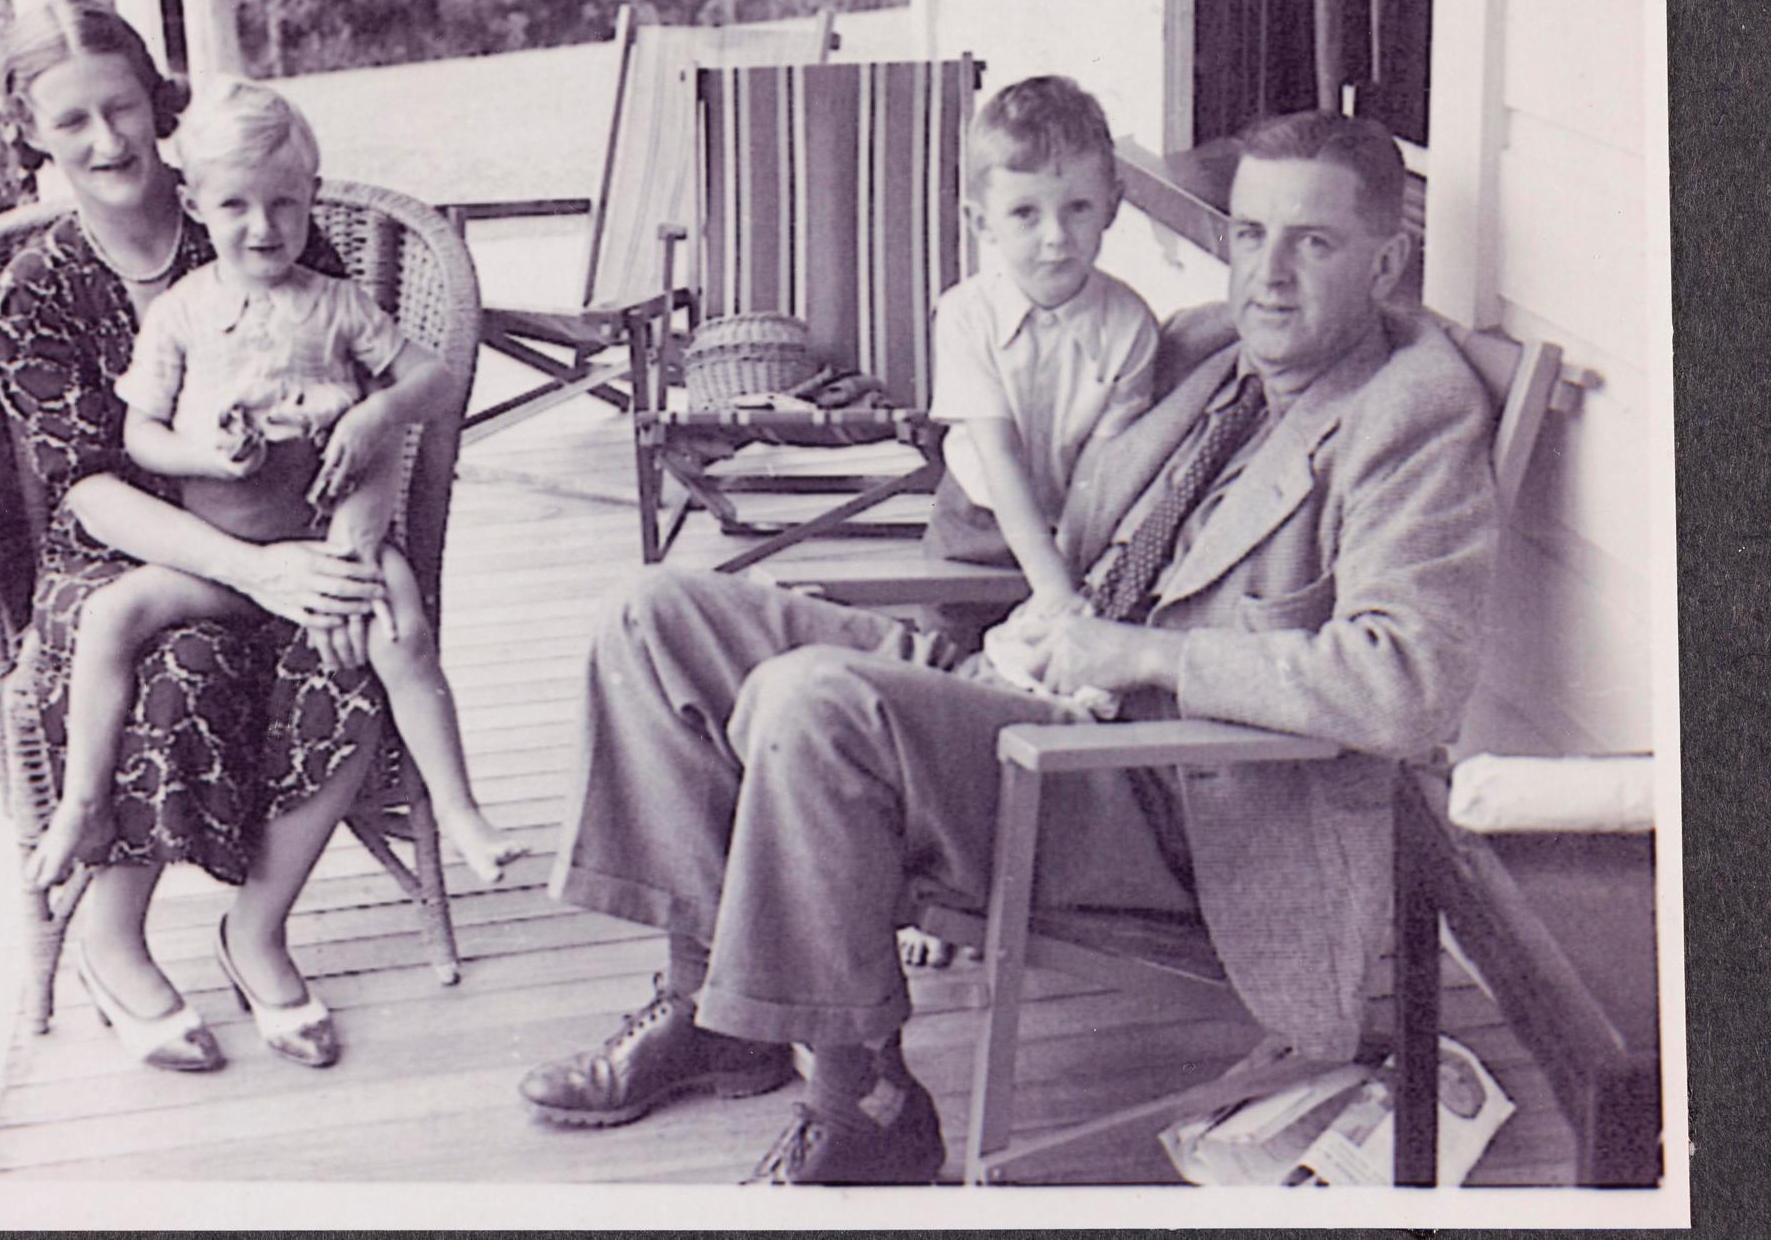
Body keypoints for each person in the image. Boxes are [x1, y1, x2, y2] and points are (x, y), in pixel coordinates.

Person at [518, 110, 1500, 1184]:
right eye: (1248, 233)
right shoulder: (1207, 349)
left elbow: (1406, 683)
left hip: (1164, 795)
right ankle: (716, 1003)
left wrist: (1136, 654)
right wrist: (1034, 617)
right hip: (1036, 683)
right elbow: (1063, 511)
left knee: (811, 705)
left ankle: (867, 1104)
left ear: (1384, 261)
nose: (1264, 274)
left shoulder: (1410, 418)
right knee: (653, 617)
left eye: (1310, 242)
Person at [0, 0, 395, 1074]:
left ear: (156, 102)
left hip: (283, 522)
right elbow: (82, 487)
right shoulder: (37, 291)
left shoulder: (245, 206)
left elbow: (368, 406)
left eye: (121, 107)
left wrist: (343, 549)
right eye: (72, 122)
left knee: (352, 634)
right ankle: (111, 941)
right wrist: (251, 570)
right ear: (31, 133)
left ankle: (254, 929)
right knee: (188, 654)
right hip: (117, 553)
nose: (108, 141)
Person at [26, 79, 524, 908]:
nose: (263, 228)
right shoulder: (181, 314)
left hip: (320, 546)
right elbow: (139, 435)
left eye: (285, 205)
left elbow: (432, 380)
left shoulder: (335, 304)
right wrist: (207, 459)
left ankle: (462, 806)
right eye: (236, 206)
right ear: (196, 204)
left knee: (400, 624)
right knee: (112, 616)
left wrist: (374, 415)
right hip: (217, 561)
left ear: (312, 200)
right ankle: (81, 802)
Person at [924, 75, 1159, 617]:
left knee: (1065, 657)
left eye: (1077, 207)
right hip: (976, 522)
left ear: (1112, 207)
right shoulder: (965, 315)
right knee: (953, 648)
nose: (1055, 237)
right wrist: (1052, 590)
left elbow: (1105, 471)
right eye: (1025, 214)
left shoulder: (1129, 325)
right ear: (981, 222)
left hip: (1082, 521)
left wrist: (1068, 581)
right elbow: (998, 458)